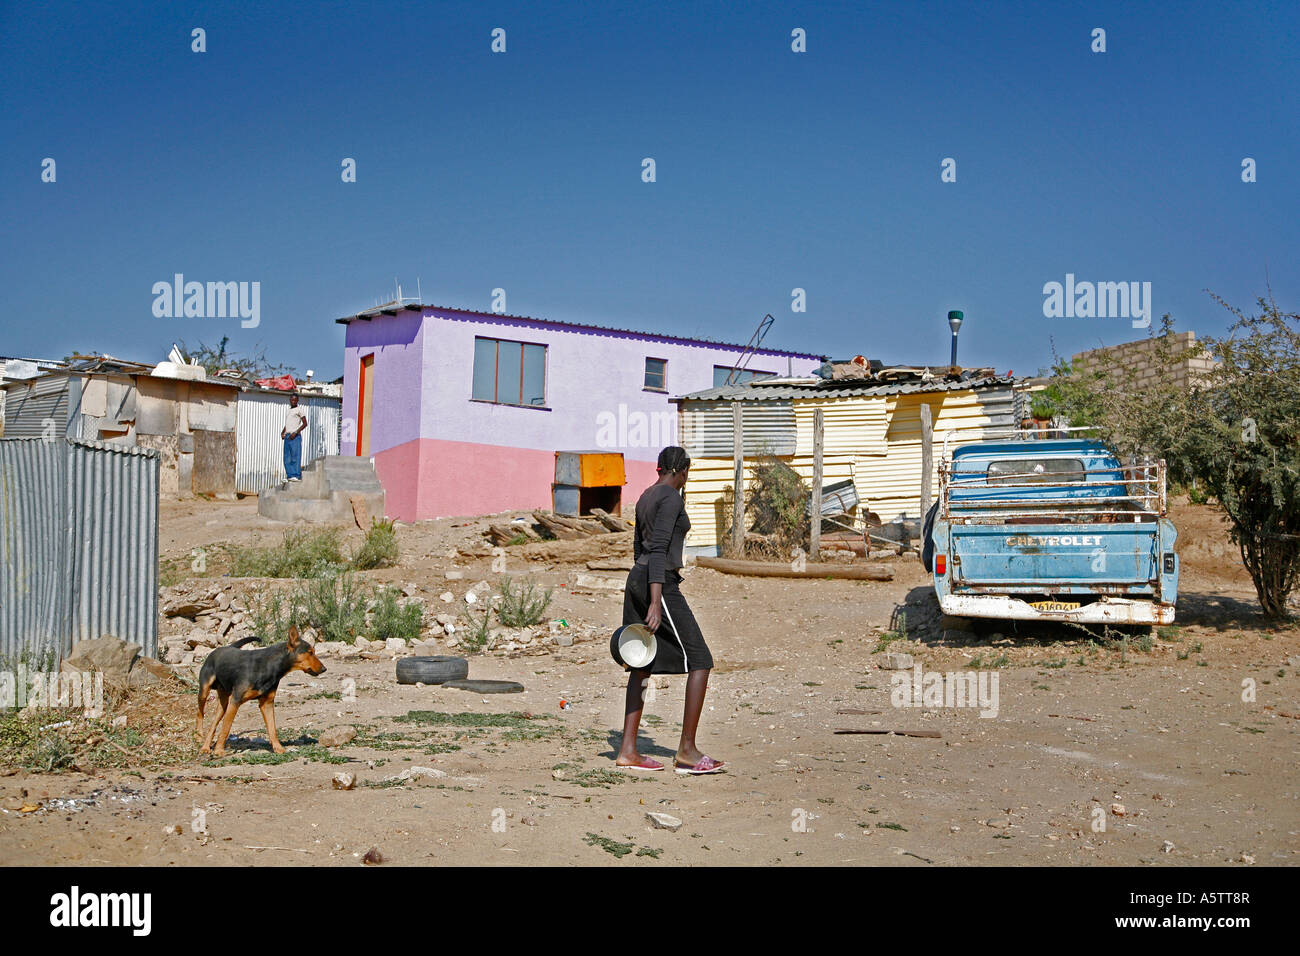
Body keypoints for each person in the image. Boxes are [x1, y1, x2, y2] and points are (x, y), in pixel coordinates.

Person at [616, 446, 725, 775]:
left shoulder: (647, 495)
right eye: (687, 472)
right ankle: (688, 752)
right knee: (701, 660)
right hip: (659, 583)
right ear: (683, 471)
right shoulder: (672, 497)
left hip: (639, 577)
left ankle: (628, 750)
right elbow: (660, 547)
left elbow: (639, 548)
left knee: (642, 662)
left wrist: (643, 588)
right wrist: (655, 600)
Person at [280, 393, 307, 482]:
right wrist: (283, 431)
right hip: (288, 436)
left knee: (295, 456)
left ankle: (296, 475)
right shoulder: (288, 410)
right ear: (290, 400)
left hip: (295, 436)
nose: (293, 401)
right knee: (287, 457)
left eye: (295, 400)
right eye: (292, 400)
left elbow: (305, 423)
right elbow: (288, 423)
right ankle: (290, 475)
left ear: (297, 400)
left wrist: (296, 432)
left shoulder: (299, 410)